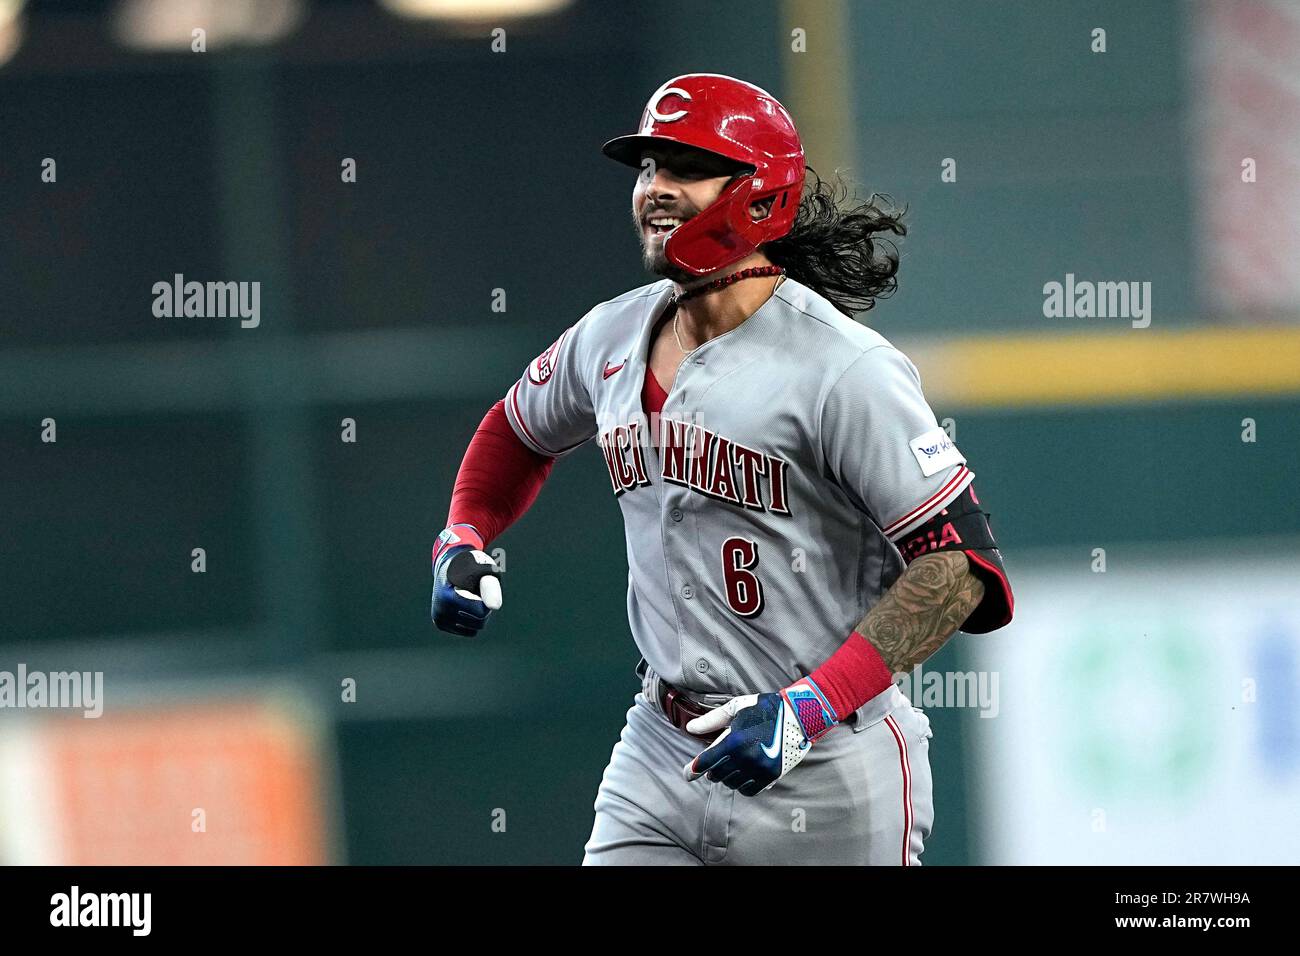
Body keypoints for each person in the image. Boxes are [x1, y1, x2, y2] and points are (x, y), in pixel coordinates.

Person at [431, 74, 1013, 865]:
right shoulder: (610, 336)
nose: (655, 190)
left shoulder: (844, 369)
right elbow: (515, 430)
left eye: (685, 168)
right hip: (662, 746)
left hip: (830, 766)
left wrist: (807, 707)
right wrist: (464, 531)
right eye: (646, 169)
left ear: (760, 192)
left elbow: (959, 567)